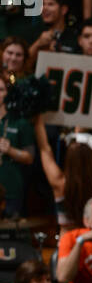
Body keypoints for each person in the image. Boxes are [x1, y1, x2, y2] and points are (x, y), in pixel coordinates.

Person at [0, 75, 34, 216]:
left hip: (11, 190)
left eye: (1, 90)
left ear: (8, 94)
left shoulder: (19, 122)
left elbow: (30, 157)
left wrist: (10, 150)